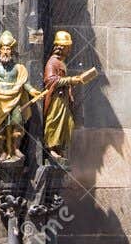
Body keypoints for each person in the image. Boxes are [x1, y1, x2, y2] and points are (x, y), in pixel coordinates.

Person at [0, 31, 41, 160]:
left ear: (12, 51)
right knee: (0, 128)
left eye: (8, 49)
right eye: (3, 49)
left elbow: (24, 83)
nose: (5, 52)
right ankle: (3, 151)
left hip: (15, 99)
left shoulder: (17, 68)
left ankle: (15, 149)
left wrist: (32, 91)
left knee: (17, 124)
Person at [42, 30, 97, 160]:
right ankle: (51, 148)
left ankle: (59, 147)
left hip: (63, 98)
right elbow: (50, 80)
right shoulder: (52, 62)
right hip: (56, 99)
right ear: (61, 48)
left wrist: (72, 82)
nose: (69, 49)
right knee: (54, 121)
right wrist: (71, 80)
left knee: (67, 123)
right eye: (67, 47)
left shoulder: (61, 62)